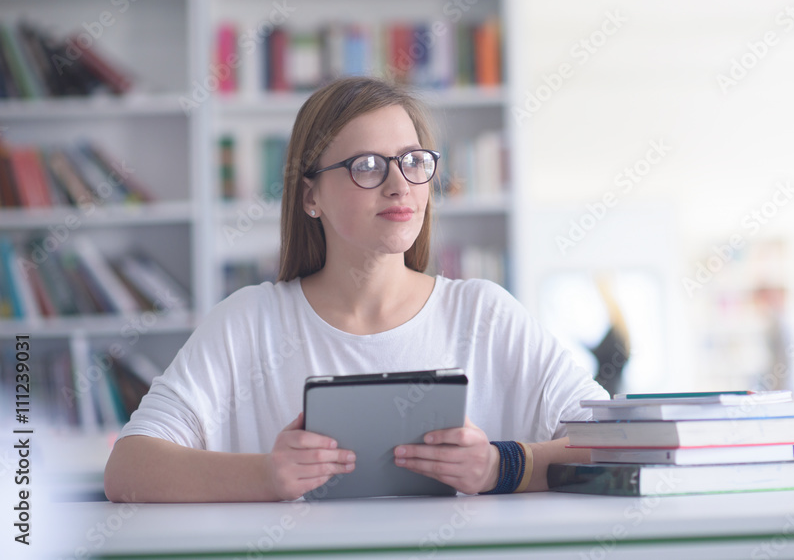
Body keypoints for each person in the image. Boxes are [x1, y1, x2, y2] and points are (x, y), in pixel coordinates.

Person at [103, 76, 608, 502]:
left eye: (413, 161)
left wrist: (502, 466)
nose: (399, 185)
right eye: (367, 165)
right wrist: (266, 476)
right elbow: (127, 469)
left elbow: (613, 443)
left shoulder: (484, 315)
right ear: (310, 196)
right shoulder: (248, 322)